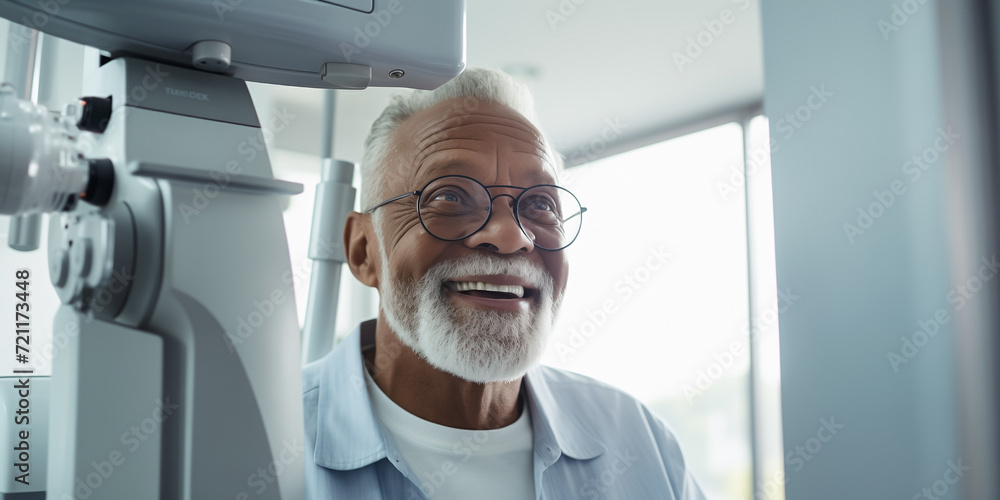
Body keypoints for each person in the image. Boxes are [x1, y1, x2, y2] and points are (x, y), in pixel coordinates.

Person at [302, 67, 706, 499]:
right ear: (363, 251)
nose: (512, 236)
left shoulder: (640, 443)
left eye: (538, 204)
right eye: (450, 196)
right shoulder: (262, 441)